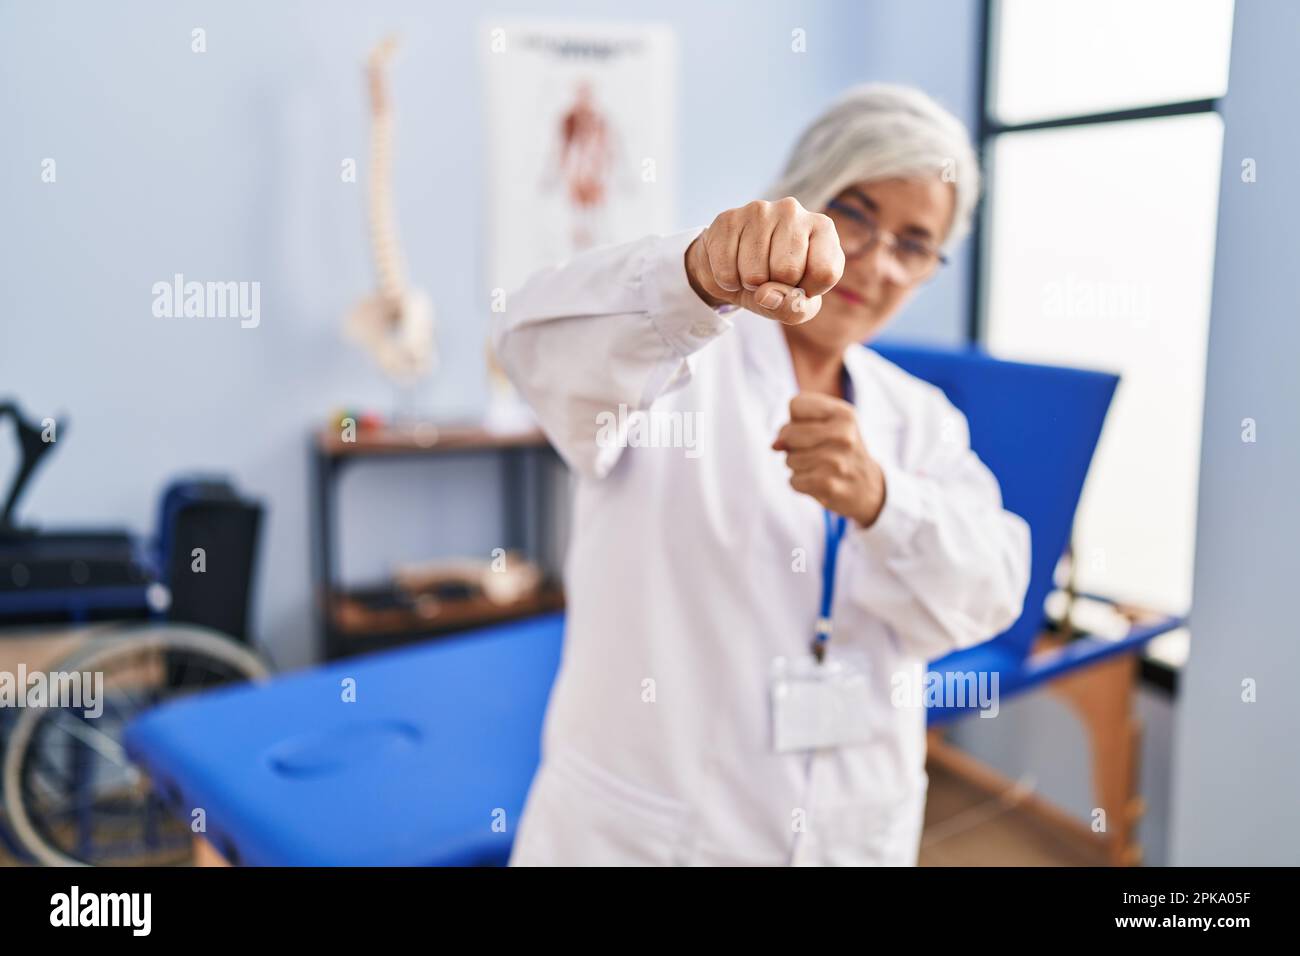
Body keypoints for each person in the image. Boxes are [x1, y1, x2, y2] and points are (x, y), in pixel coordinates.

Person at [493, 83, 1031, 866]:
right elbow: (533, 341)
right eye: (855, 212)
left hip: (853, 827)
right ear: (803, 198)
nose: (876, 262)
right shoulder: (675, 359)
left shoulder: (919, 421)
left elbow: (991, 594)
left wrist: (886, 503)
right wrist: (696, 277)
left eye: (914, 243)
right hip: (654, 831)